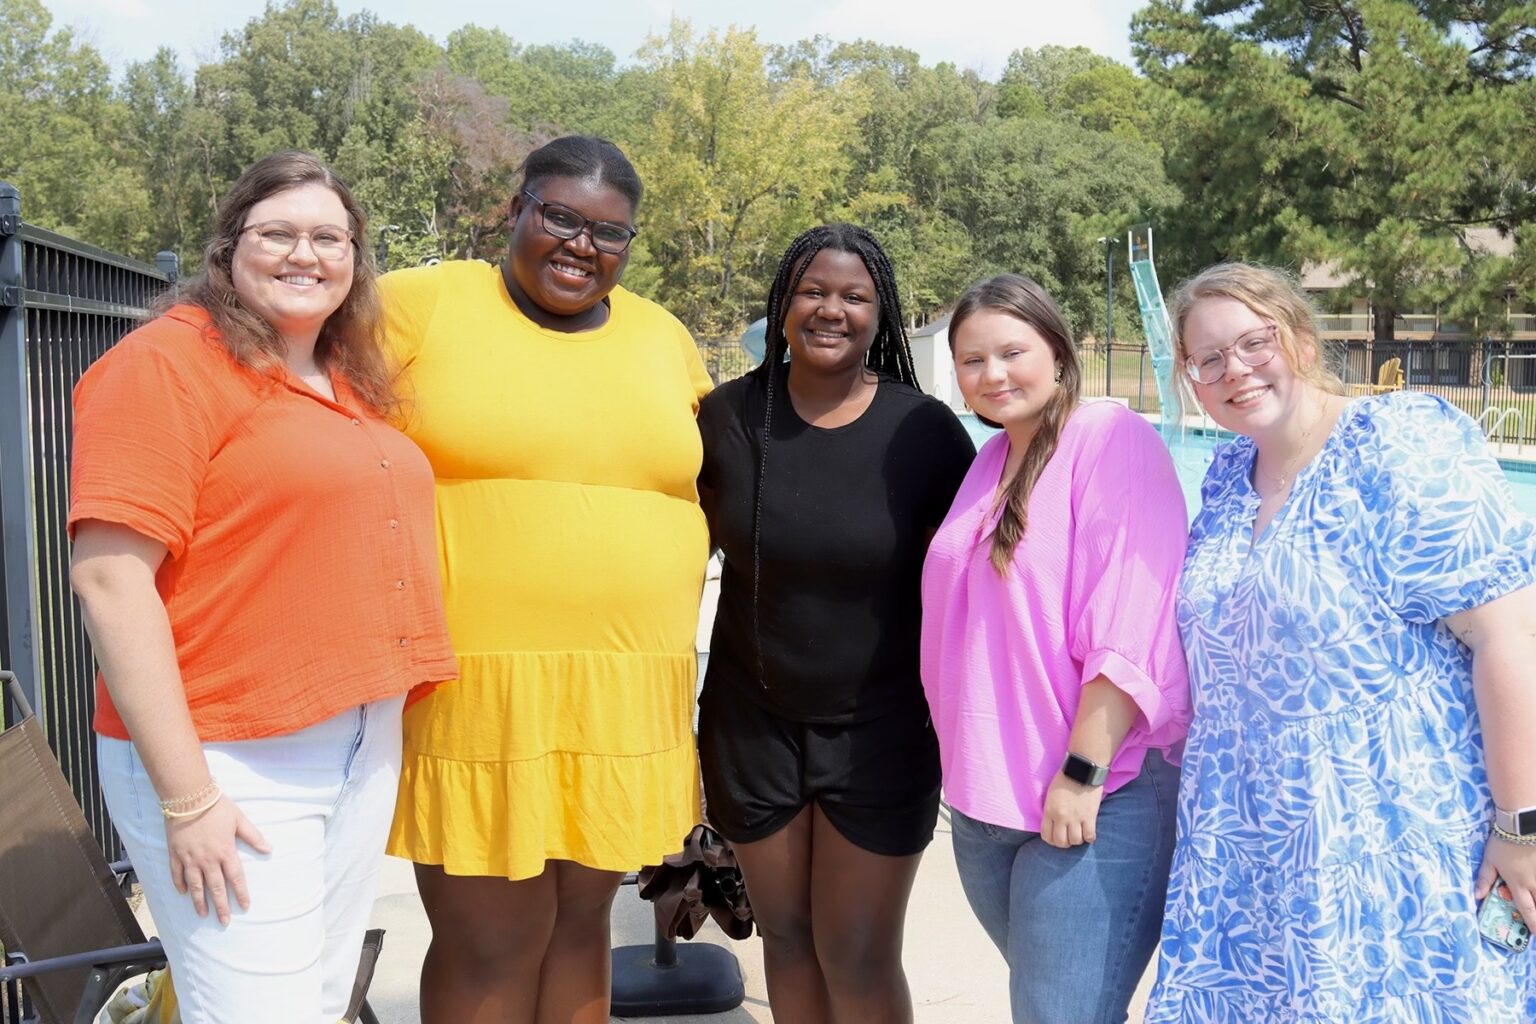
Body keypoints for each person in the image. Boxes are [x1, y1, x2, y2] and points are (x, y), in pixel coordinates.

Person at [68, 150, 455, 1024]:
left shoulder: (342, 372)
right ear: (228, 247)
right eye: (276, 233)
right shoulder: (167, 365)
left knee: (315, 1004)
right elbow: (107, 579)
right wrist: (190, 797)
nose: (303, 254)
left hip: (357, 739)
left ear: (355, 255)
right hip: (230, 757)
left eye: (329, 236)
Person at [379, 135, 713, 1024]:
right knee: (493, 944)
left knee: (580, 930)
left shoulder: (663, 336)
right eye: (559, 216)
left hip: (623, 692)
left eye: (610, 231)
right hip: (479, 688)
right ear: (515, 209)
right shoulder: (422, 304)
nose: (581, 245)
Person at [1147, 262, 1536, 1022]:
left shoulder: (1396, 447)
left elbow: (1509, 637)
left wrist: (1520, 827)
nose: (1236, 371)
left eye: (1253, 343)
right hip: (1243, 851)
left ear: (1297, 337)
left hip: (1385, 840)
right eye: (1209, 360)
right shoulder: (1228, 477)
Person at [695, 223, 975, 1024]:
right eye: (813, 291)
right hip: (752, 725)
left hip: (879, 734)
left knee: (855, 952)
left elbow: (985, 572)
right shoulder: (727, 418)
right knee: (785, 938)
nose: (832, 310)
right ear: (782, 304)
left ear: (880, 315)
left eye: (855, 296)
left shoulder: (921, 432)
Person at [919, 273, 1190, 1023]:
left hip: (1096, 795)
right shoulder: (989, 461)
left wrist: (1081, 772)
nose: (993, 374)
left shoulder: (1111, 440)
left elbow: (1128, 625)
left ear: (1059, 351)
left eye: (1012, 351)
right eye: (972, 361)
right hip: (984, 800)